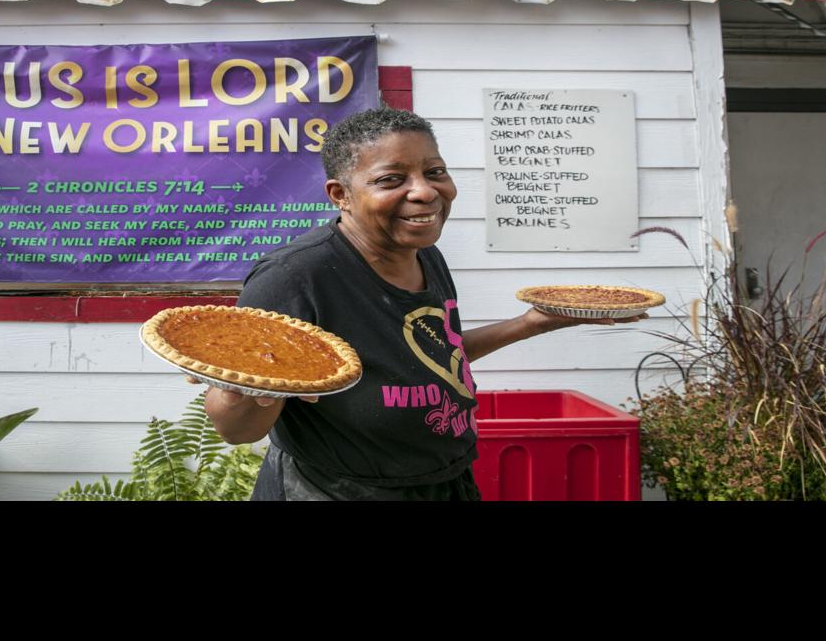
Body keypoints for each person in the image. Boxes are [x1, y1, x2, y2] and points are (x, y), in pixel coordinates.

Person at [201, 107, 641, 501]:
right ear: (340, 194)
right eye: (391, 180)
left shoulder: (423, 254)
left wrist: (532, 323)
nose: (425, 192)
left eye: (434, 172)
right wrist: (251, 391)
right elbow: (236, 429)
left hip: (443, 480)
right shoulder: (294, 277)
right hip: (337, 489)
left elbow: (434, 358)